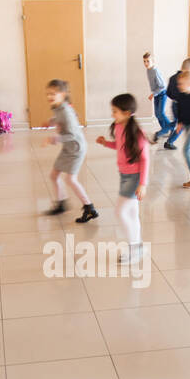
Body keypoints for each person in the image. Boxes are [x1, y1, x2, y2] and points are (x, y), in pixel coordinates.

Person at [95, 93, 151, 263]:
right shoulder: (119, 127)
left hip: (134, 177)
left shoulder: (137, 134)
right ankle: (138, 246)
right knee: (132, 213)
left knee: (120, 212)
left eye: (115, 111)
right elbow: (120, 147)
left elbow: (145, 159)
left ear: (127, 113)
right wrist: (106, 143)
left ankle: (135, 248)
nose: (113, 115)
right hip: (124, 175)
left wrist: (143, 184)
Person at [43, 79, 97, 222]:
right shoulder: (58, 107)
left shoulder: (66, 111)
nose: (49, 97)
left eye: (53, 94)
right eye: (48, 93)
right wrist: (51, 122)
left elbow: (72, 134)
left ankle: (89, 207)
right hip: (68, 148)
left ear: (62, 94)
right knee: (54, 176)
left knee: (70, 179)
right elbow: (58, 117)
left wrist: (54, 139)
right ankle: (61, 204)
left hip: (76, 150)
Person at [144, 52, 174, 144]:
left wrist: (153, 94)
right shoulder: (148, 70)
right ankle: (165, 129)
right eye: (144, 61)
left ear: (153, 62)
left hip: (162, 93)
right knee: (157, 114)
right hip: (156, 94)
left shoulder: (155, 71)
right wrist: (154, 93)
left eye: (148, 61)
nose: (146, 63)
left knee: (160, 113)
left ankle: (171, 128)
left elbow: (162, 86)